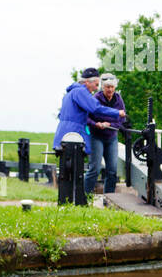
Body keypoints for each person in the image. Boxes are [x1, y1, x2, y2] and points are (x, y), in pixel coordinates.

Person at [53, 69, 127, 198]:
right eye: (96, 84)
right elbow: (95, 108)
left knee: (69, 169)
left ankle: (72, 197)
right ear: (87, 82)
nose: (96, 87)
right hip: (74, 134)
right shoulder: (81, 92)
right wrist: (117, 113)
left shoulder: (71, 93)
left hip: (66, 133)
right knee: (78, 169)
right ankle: (82, 197)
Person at [85, 73, 126, 194]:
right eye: (107, 87)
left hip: (112, 137)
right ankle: (85, 197)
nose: (110, 89)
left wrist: (111, 125)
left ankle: (109, 198)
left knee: (112, 170)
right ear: (102, 87)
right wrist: (96, 124)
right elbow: (86, 118)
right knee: (95, 169)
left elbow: (122, 118)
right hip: (96, 137)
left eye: (112, 87)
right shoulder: (95, 99)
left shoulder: (118, 99)